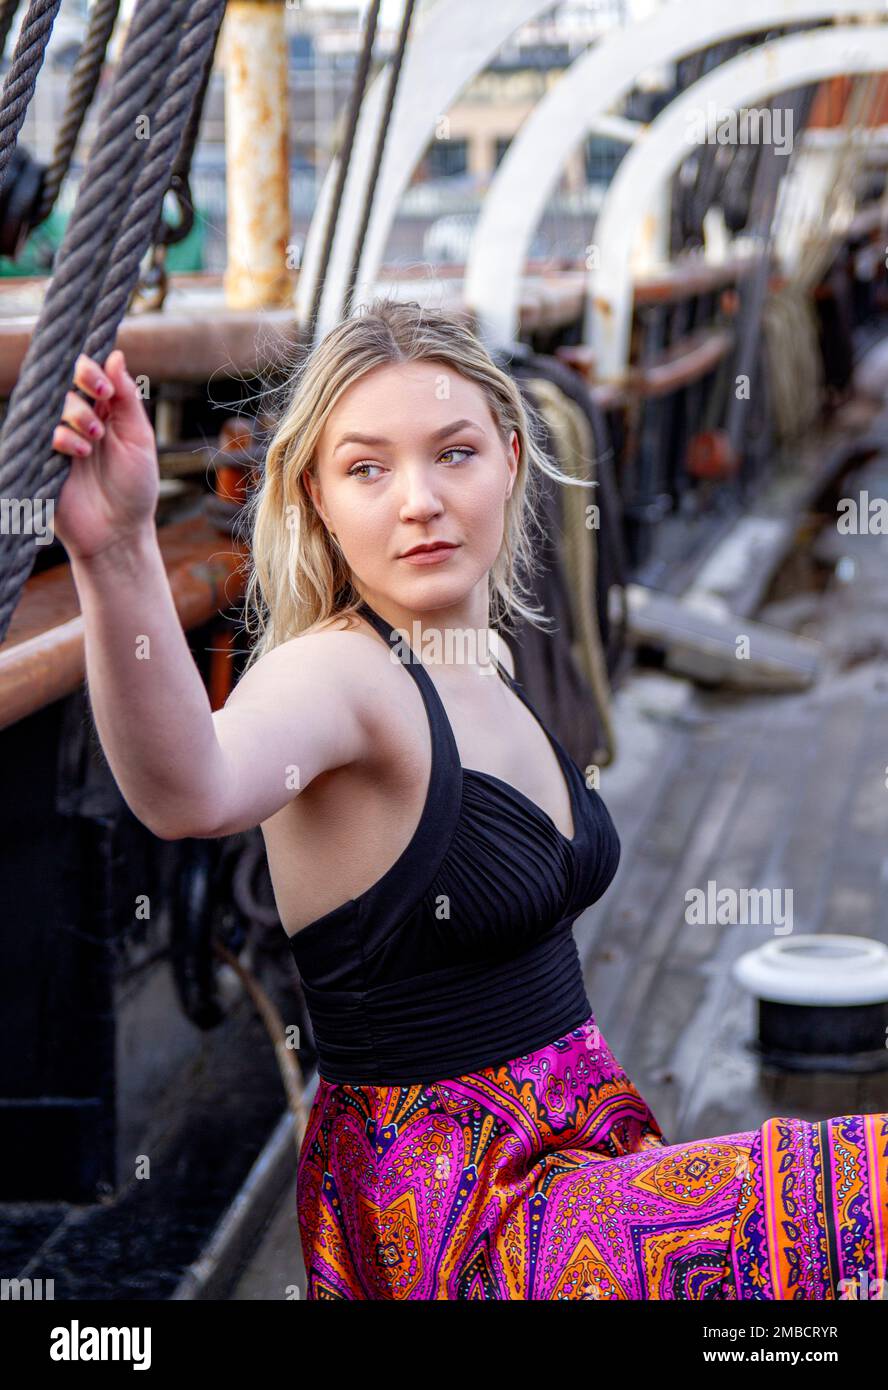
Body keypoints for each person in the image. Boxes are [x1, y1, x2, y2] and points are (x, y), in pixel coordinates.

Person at [55, 299, 888, 1301]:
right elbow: (191, 788)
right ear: (314, 498)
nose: (419, 500)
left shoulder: (486, 657)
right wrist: (117, 553)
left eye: (452, 454)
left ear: (511, 460)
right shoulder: (342, 677)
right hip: (461, 1227)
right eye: (368, 468)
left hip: (581, 1172)